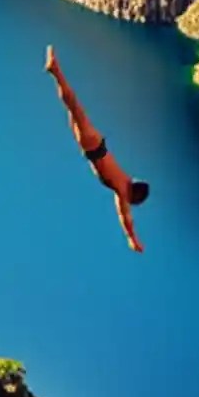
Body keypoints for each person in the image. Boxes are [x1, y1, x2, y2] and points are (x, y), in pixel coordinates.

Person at [45, 45, 149, 253]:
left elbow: (125, 216)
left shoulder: (123, 186)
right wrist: (131, 238)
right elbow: (125, 216)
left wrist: (132, 237)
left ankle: (56, 71)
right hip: (91, 148)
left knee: (73, 107)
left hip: (95, 145)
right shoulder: (121, 188)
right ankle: (55, 71)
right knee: (72, 107)